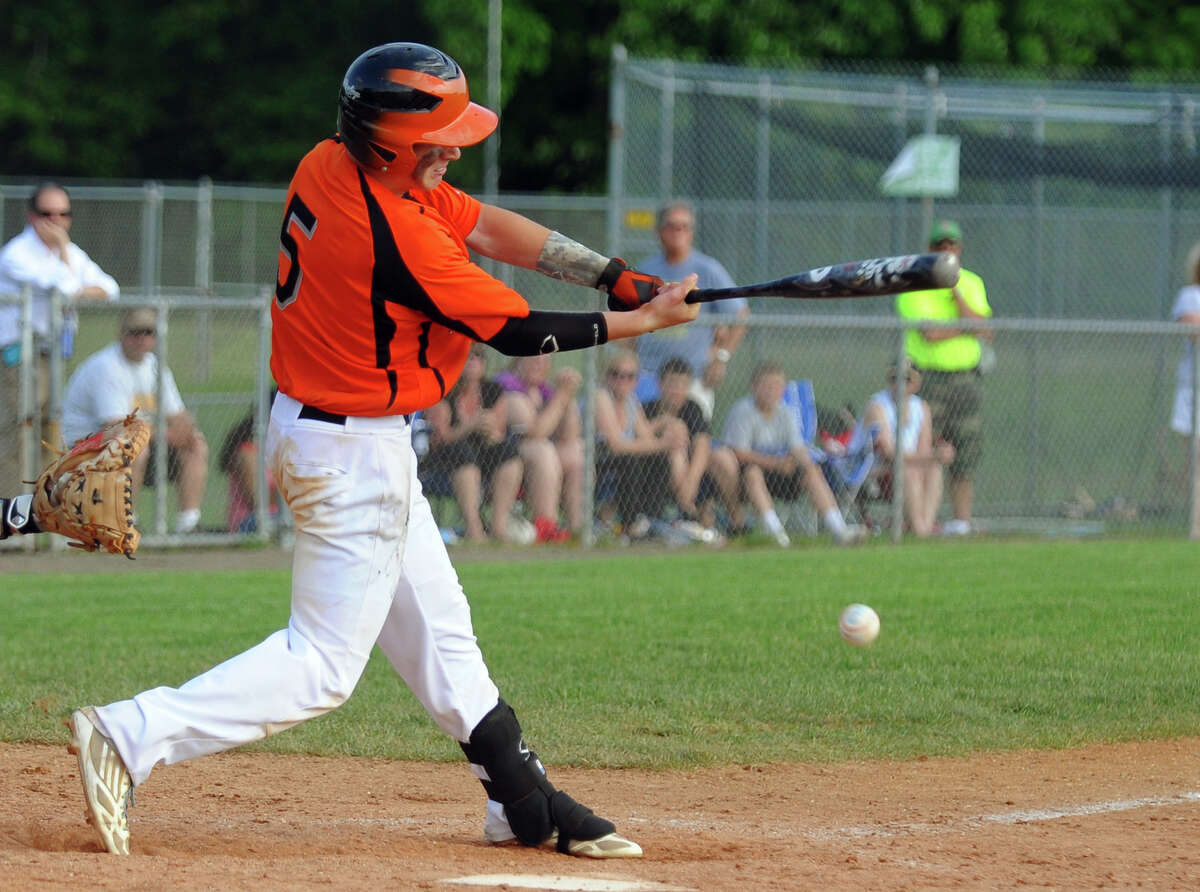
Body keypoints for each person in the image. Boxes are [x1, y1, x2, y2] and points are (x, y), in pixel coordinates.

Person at [65, 41, 699, 860]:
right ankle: (128, 734)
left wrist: (613, 274)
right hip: (348, 452)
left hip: (342, 433)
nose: (454, 149)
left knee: (441, 630)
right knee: (322, 668)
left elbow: (489, 225)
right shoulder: (394, 232)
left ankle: (516, 798)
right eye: (442, 137)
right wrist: (642, 320)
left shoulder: (335, 163)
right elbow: (514, 332)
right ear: (397, 144)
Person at [0, 183, 119, 491]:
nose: (56, 221)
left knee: (48, 433)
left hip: (52, 354)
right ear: (31, 216)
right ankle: (11, 517)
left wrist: (67, 255)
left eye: (63, 214)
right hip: (18, 357)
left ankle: (40, 513)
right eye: (47, 214)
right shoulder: (17, 254)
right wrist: (67, 257)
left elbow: (109, 289)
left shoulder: (70, 252)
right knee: (15, 433)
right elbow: (66, 288)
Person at [60, 306, 209, 533]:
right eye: (134, 332)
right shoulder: (107, 366)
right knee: (135, 447)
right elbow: (115, 426)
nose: (141, 339)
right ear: (121, 333)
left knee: (195, 444)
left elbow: (178, 414)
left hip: (142, 442)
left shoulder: (154, 366)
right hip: (84, 452)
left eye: (148, 333)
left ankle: (188, 524)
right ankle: (123, 522)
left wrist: (185, 430)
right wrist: (168, 434)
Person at [894, 219, 993, 536]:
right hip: (928, 382)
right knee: (926, 452)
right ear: (930, 250)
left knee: (965, 453)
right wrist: (967, 326)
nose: (947, 251)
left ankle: (961, 523)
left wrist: (957, 297)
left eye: (952, 245)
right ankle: (920, 522)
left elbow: (987, 330)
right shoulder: (913, 284)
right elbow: (930, 333)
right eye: (940, 246)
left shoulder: (973, 283)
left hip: (966, 381)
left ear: (959, 249)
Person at [721, 360, 864, 547]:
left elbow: (796, 447)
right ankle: (777, 535)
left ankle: (839, 530)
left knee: (812, 471)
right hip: (747, 478)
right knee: (753, 473)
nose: (772, 391)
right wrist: (776, 464)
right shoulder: (743, 411)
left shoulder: (785, 412)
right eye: (767, 386)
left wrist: (803, 462)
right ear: (753, 387)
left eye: (778, 386)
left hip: (781, 472)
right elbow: (738, 453)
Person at [633, 200, 749, 419]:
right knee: (648, 443)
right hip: (649, 375)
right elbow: (631, 317)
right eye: (672, 226)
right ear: (659, 231)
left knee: (693, 441)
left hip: (694, 378)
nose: (678, 231)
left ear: (692, 232)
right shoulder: (646, 269)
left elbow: (740, 314)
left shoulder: (708, 269)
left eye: (684, 226)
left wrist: (721, 357)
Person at [421, 342, 524, 543]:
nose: (473, 361)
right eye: (468, 356)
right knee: (464, 454)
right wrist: (470, 425)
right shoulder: (444, 388)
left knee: (508, 453)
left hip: (484, 450)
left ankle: (499, 526)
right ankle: (474, 529)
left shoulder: (492, 390)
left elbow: (499, 433)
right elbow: (441, 438)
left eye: (478, 356)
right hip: (449, 457)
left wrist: (489, 429)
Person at [642, 355, 745, 535]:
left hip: (692, 476)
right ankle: (688, 514)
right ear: (660, 384)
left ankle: (737, 521)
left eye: (683, 385)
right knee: (677, 443)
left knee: (724, 458)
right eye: (672, 384)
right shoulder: (648, 408)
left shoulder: (692, 408)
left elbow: (702, 444)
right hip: (655, 471)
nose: (677, 391)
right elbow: (640, 437)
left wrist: (691, 481)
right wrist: (663, 422)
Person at [594, 349, 688, 539]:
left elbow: (645, 437)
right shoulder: (601, 397)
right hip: (598, 457)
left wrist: (666, 425)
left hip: (622, 457)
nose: (622, 381)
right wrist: (664, 444)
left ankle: (650, 519)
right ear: (607, 376)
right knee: (632, 460)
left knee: (658, 459)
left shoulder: (631, 401)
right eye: (616, 374)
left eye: (629, 376)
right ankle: (630, 524)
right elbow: (615, 445)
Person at [859, 361, 955, 537]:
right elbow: (888, 452)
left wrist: (936, 456)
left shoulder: (921, 407)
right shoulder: (878, 406)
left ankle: (924, 527)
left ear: (916, 384)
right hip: (875, 470)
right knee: (910, 470)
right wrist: (931, 456)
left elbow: (923, 449)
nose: (900, 384)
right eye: (894, 378)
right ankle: (920, 530)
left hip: (908, 466)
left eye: (906, 379)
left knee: (934, 469)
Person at [494, 353, 582, 540]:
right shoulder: (508, 388)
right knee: (542, 450)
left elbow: (570, 435)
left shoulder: (546, 391)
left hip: (543, 460)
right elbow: (536, 432)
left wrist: (568, 397)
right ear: (519, 359)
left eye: (544, 360)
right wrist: (560, 398)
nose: (538, 364)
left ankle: (578, 530)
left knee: (575, 452)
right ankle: (547, 527)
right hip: (507, 458)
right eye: (533, 358)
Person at [217, 404, 278, 534]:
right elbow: (257, 502)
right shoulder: (247, 452)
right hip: (248, 522)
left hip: (276, 516)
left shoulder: (278, 450)